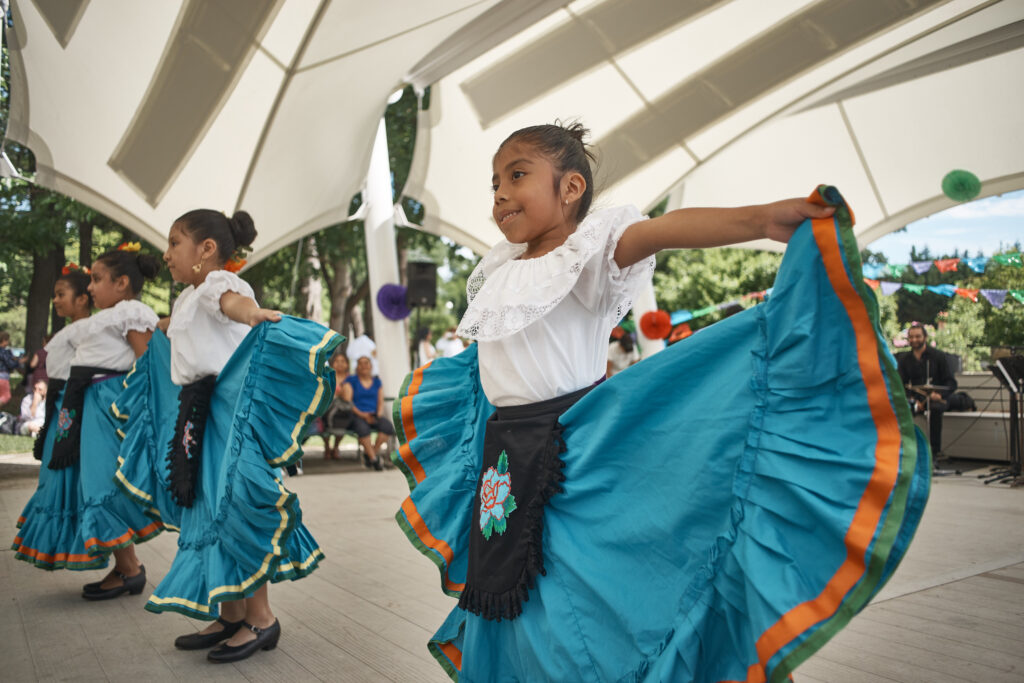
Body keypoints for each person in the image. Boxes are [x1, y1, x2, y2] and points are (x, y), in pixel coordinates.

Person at [391, 123, 929, 681]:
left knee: (577, 605)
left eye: (517, 175)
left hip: (577, 456)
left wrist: (762, 219)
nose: (500, 193)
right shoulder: (501, 267)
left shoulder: (589, 251)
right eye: (495, 183)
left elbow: (666, 229)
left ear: (570, 188)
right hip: (503, 459)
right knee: (509, 602)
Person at [113, 209, 340, 663]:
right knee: (205, 508)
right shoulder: (187, 299)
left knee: (232, 506)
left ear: (207, 250)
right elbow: (180, 333)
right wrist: (151, 327)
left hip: (224, 414)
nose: (167, 253)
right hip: (196, 413)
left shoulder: (219, 284)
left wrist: (254, 314)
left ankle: (261, 619)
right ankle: (231, 612)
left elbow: (233, 305)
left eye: (175, 242)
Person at [12, 248, 164, 597]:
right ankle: (127, 568)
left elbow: (147, 362)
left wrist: (143, 412)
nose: (91, 287)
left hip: (106, 400)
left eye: (96, 279)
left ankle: (130, 569)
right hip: (86, 402)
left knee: (101, 482)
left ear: (122, 283)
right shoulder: (106, 318)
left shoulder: (130, 311)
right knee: (92, 483)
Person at [897, 323, 957, 458]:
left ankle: (935, 452)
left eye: (918, 336)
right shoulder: (904, 359)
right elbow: (902, 384)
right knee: (901, 409)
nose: (914, 340)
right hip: (917, 399)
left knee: (935, 408)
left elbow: (951, 383)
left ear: (925, 337)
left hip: (937, 398)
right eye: (911, 337)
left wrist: (939, 394)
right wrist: (911, 399)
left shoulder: (938, 356)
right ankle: (905, 452)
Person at [340, 355, 395, 471]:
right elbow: (348, 402)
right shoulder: (351, 381)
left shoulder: (376, 382)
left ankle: (370, 454)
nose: (364, 366)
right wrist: (362, 415)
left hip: (373, 414)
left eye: (366, 363)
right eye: (361, 363)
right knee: (363, 430)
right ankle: (374, 460)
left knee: (387, 427)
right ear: (357, 367)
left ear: (371, 366)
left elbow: (380, 401)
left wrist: (378, 413)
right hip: (356, 415)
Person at [0, 330, 21, 407]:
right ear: (4, 340)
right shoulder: (4, 352)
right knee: (6, 396)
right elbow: (10, 364)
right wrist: (18, 362)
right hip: (2, 377)